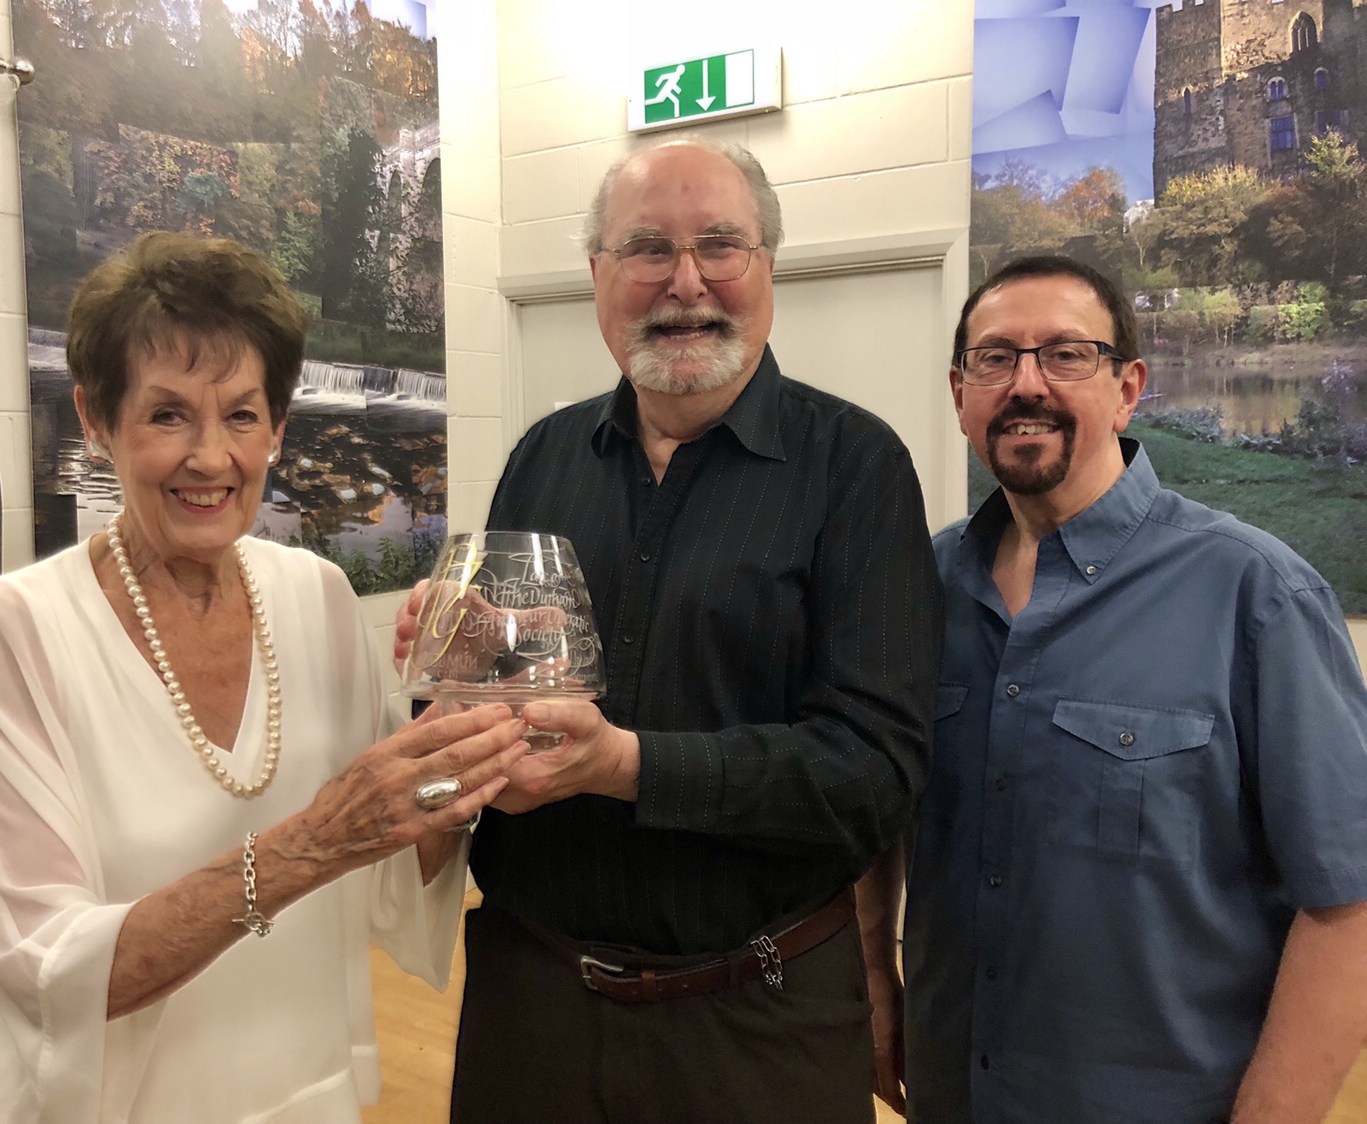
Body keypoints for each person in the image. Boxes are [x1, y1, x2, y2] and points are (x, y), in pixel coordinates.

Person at [395, 138, 941, 1123]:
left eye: (719, 244)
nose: (685, 282)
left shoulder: (857, 466)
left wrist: (628, 766)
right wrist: (456, 666)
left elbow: (874, 773)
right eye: (647, 248)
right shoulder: (542, 456)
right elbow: (484, 696)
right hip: (532, 1008)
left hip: (759, 1023)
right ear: (597, 274)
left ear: (767, 265)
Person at [0, 231, 529, 1123]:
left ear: (279, 428)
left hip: (300, 1089)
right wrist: (313, 843)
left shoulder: (317, 596)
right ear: (95, 420)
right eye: (167, 415)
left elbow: (390, 879)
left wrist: (459, 713)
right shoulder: (9, 631)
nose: (212, 458)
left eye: (243, 416)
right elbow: (48, 967)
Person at [893, 255, 1367, 1122]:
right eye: (995, 358)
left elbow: (1350, 902)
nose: (1026, 383)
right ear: (961, 394)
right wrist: (873, 983)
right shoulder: (919, 587)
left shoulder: (1255, 595)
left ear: (1127, 389)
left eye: (1066, 354)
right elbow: (873, 812)